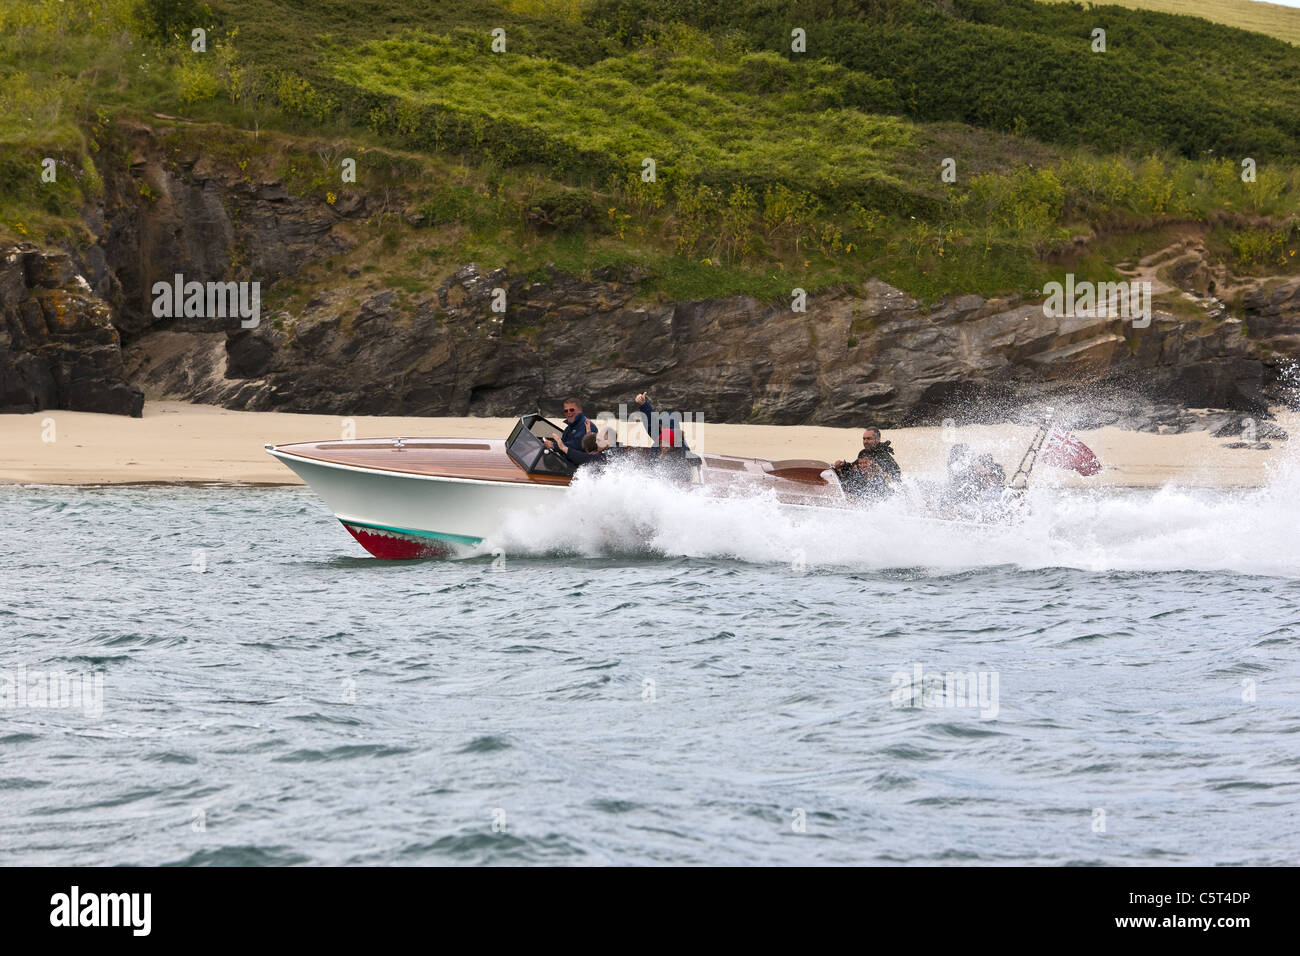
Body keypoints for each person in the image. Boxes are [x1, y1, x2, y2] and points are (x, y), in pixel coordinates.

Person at [834, 426, 900, 482]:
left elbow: (896, 473)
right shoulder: (864, 452)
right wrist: (843, 465)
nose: (865, 441)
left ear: (877, 439)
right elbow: (854, 466)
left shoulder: (882, 455)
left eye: (868, 439)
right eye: (864, 439)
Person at [547, 430, 612, 468]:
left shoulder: (609, 454)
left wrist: (563, 447)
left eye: (599, 440)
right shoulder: (609, 450)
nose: (596, 442)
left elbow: (586, 458)